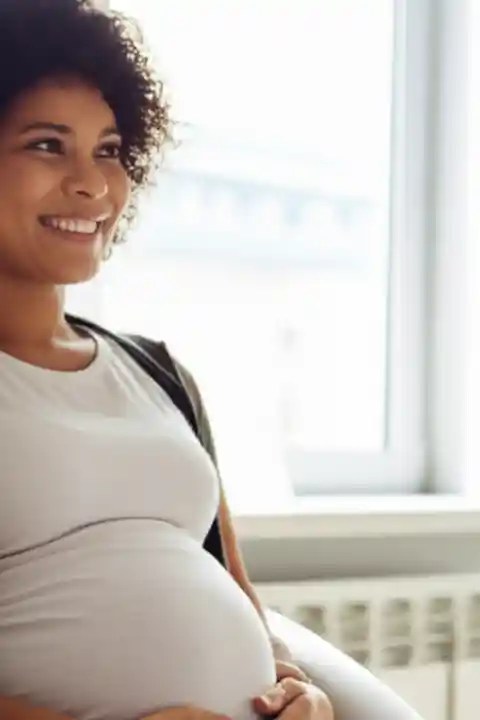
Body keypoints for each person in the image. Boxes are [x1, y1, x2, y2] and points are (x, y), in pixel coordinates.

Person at [0, 2, 334, 719]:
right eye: (48, 145)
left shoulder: (157, 374)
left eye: (109, 149)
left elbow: (234, 590)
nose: (93, 184)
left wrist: (297, 688)